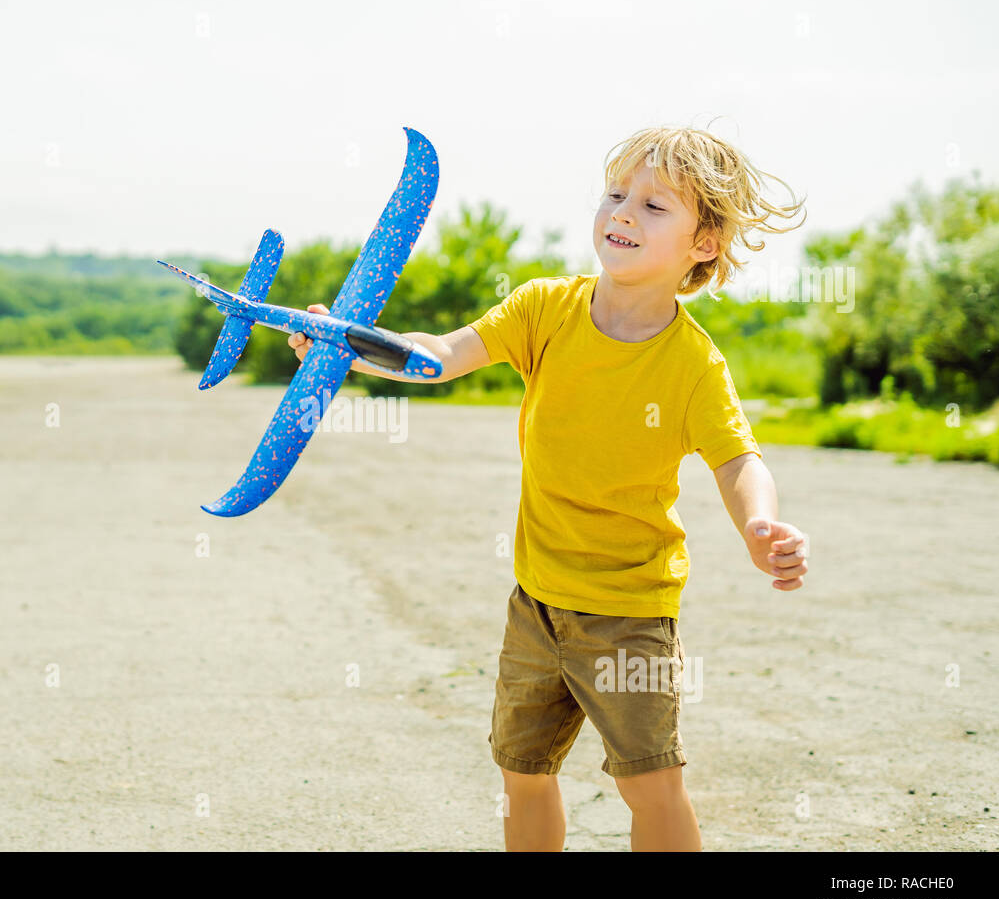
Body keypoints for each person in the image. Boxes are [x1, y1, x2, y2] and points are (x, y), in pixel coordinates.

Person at [288, 125, 810, 851]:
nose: (623, 213)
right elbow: (437, 357)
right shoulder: (544, 309)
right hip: (535, 600)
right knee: (523, 771)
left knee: (649, 783)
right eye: (616, 194)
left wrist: (761, 526)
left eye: (655, 207)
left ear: (705, 242)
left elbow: (737, 460)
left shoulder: (693, 365)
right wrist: (345, 343)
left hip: (629, 613)